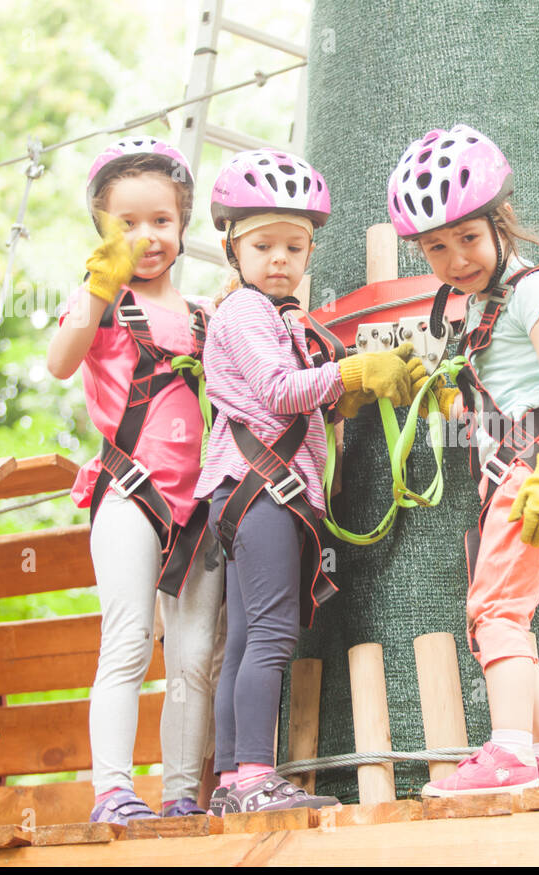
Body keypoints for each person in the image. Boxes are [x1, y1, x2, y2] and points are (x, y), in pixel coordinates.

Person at [198, 148, 425, 814]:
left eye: (294, 247)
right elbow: (277, 390)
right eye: (262, 244)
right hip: (261, 490)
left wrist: (342, 396)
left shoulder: (278, 320)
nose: (279, 259)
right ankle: (253, 776)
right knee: (270, 634)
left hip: (249, 491)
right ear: (231, 249)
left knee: (245, 638)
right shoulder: (244, 312)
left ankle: (232, 784)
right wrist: (354, 373)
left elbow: (286, 396)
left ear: (309, 251)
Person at [387, 124, 539, 796]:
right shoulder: (470, 310)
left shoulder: (533, 289)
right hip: (514, 471)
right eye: (436, 248)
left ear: (502, 221)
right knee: (505, 615)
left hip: (538, 469)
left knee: (495, 613)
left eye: (469, 238)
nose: (455, 259)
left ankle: (508, 755)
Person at [47, 138, 223, 823]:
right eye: (127, 223)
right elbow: (62, 361)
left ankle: (182, 794)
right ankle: (113, 791)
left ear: (182, 226)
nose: (146, 237)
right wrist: (97, 285)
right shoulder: (100, 302)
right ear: (102, 229)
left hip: (199, 503)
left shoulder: (207, 314)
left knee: (193, 657)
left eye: (161, 221)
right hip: (129, 491)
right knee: (125, 642)